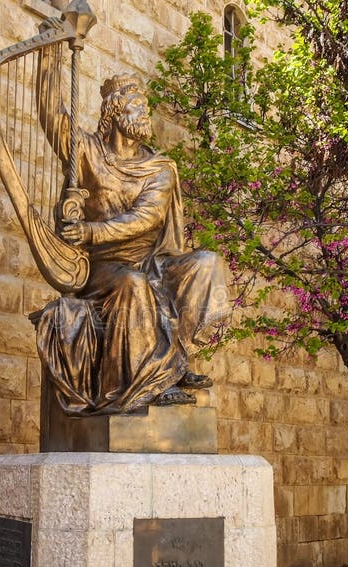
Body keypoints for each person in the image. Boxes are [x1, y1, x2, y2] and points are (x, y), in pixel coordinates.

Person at [32, 38, 230, 415]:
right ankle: (154, 379)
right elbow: (51, 118)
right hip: (100, 269)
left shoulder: (160, 168)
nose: (145, 113)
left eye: (146, 106)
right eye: (137, 105)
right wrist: (48, 60)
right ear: (114, 111)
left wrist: (90, 230)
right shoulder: (87, 151)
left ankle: (173, 362)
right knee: (131, 283)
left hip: (152, 262)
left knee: (206, 263)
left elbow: (146, 218)